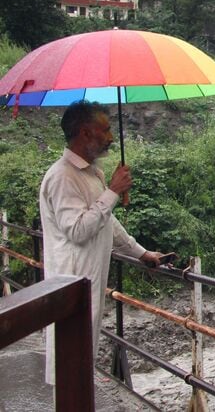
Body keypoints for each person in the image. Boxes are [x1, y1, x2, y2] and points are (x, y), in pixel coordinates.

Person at [39, 101, 166, 385]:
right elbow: (78, 230)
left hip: (89, 280)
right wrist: (113, 191)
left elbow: (106, 220)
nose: (110, 137)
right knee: (68, 364)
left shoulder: (92, 172)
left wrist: (140, 252)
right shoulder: (62, 177)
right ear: (85, 133)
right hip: (70, 284)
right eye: (105, 129)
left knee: (83, 358)